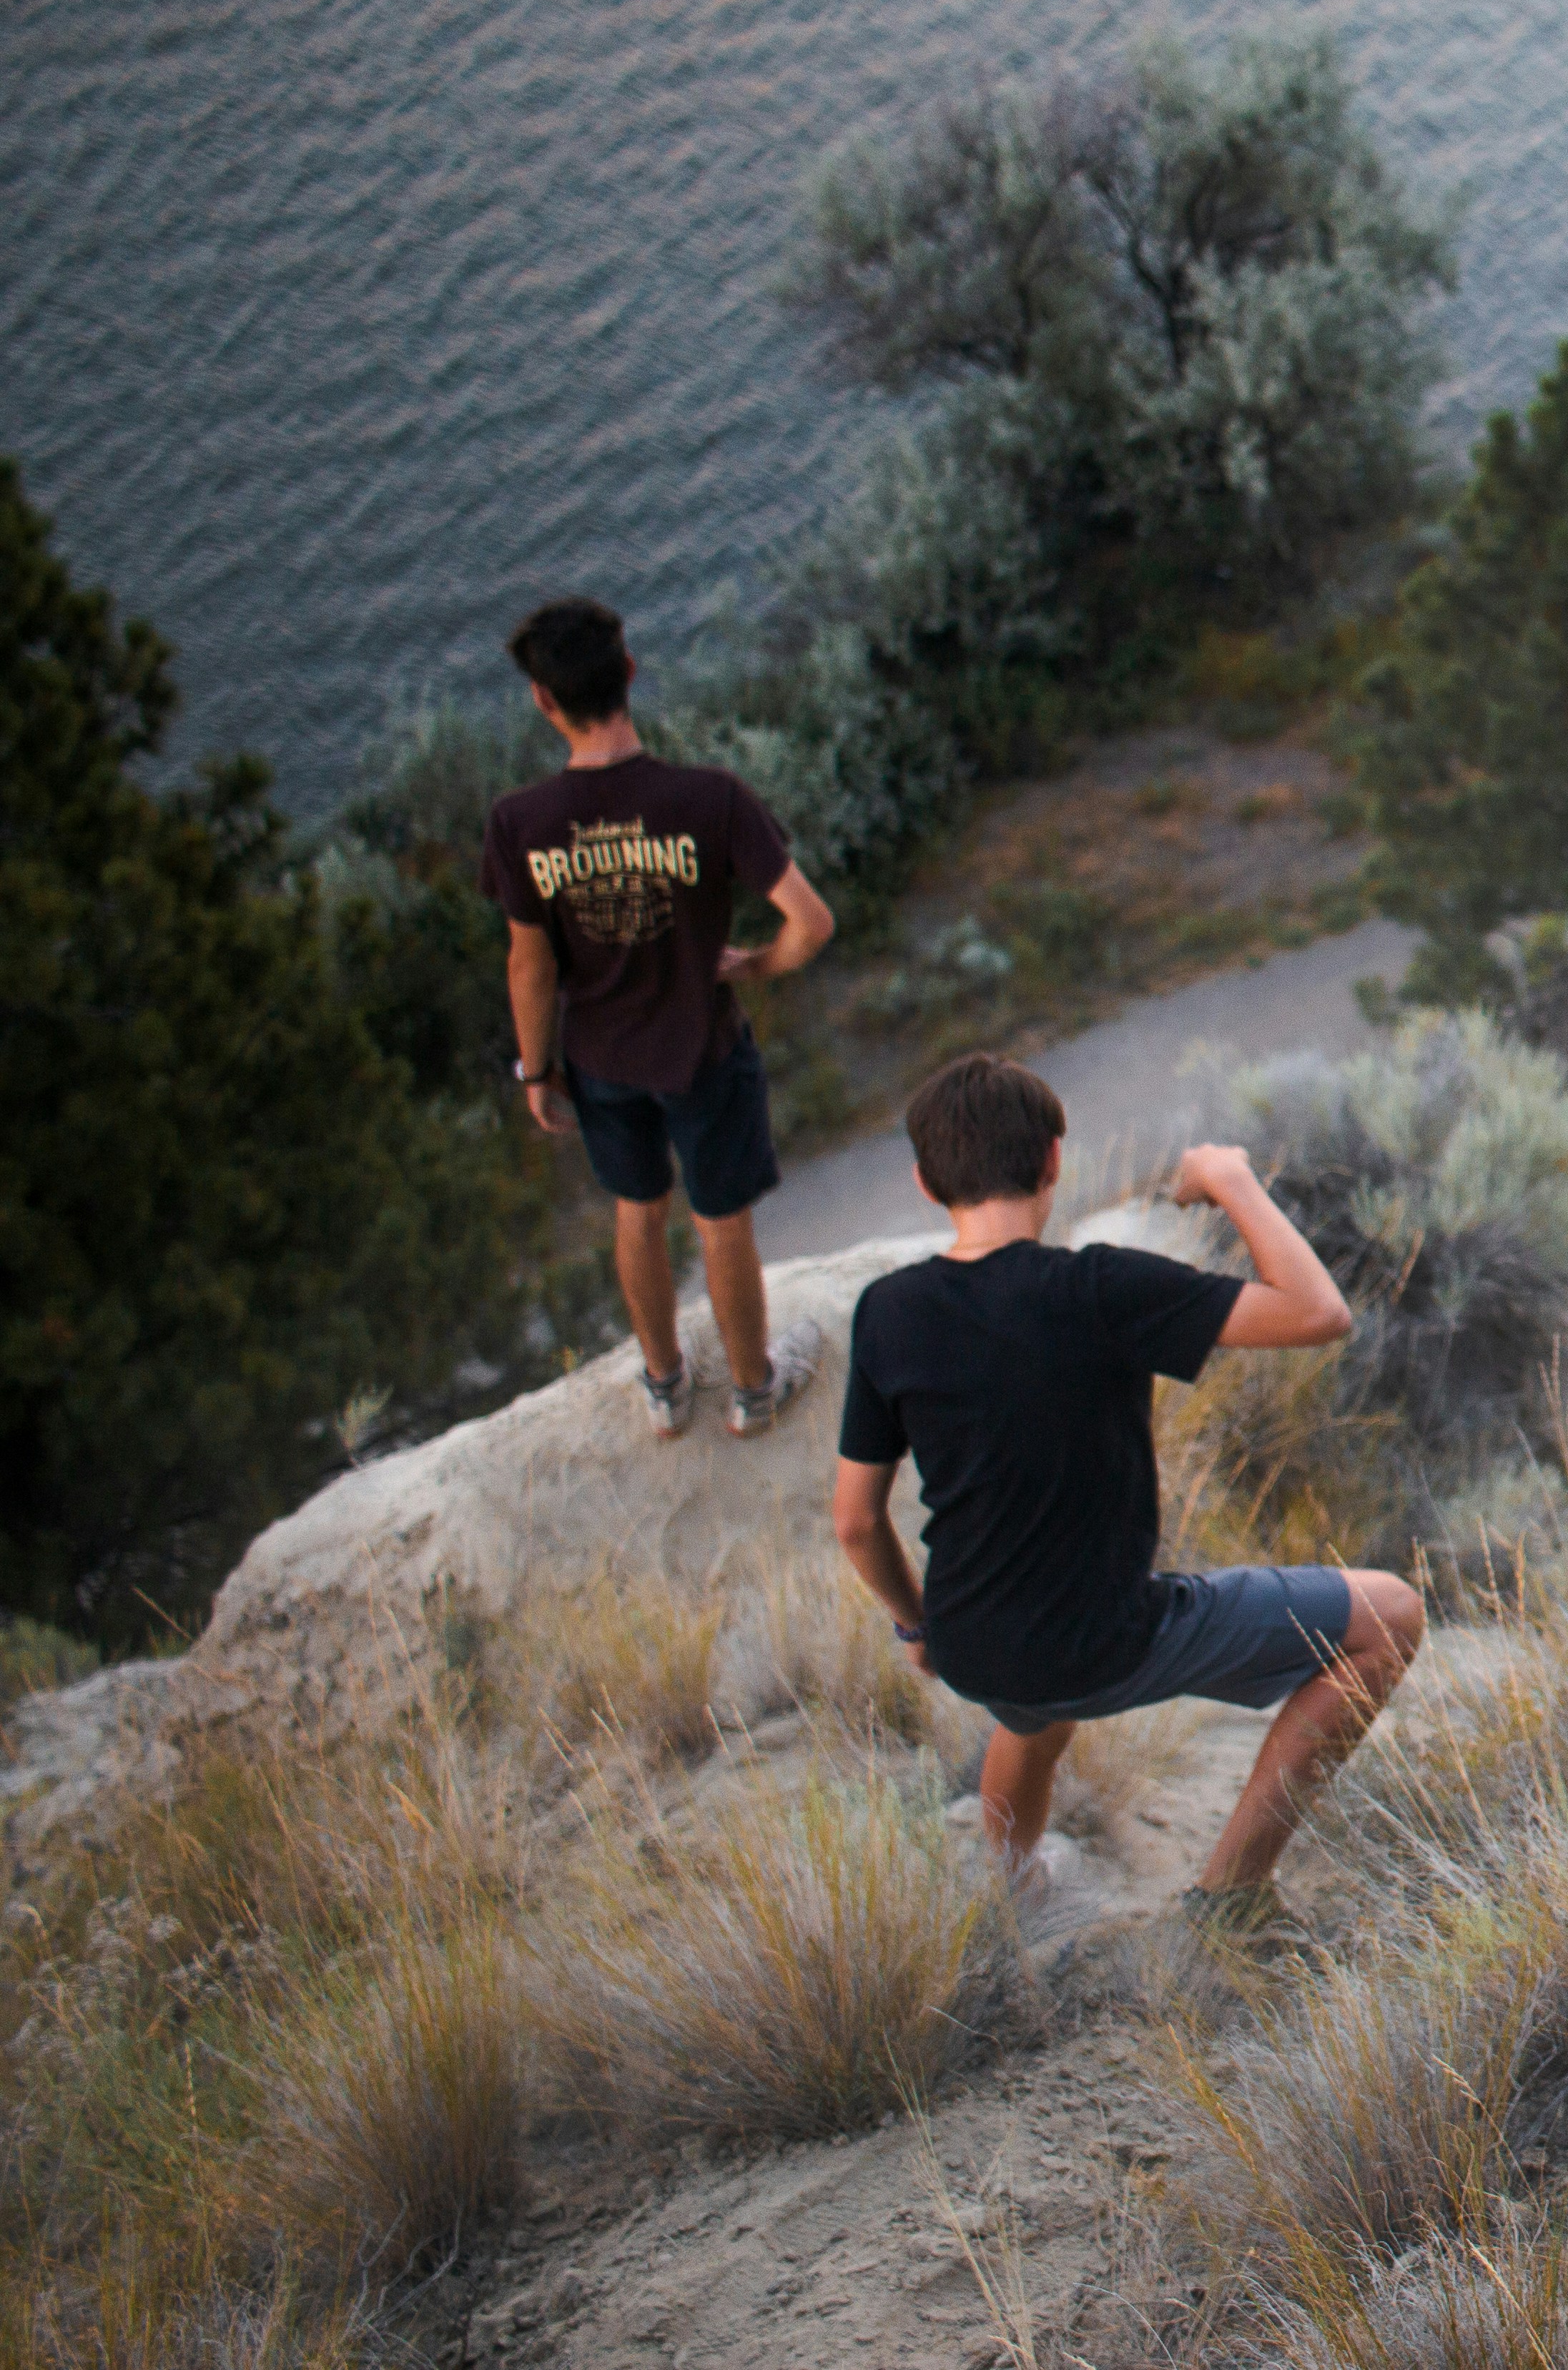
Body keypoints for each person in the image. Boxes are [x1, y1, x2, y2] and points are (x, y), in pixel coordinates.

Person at [828, 1053, 1422, 1945]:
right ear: (1053, 1161)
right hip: (1108, 1639)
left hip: (971, 1639)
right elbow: (1317, 1312)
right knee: (1390, 1617)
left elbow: (855, 1519)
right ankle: (1228, 1898)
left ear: (923, 1182)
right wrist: (1229, 1180)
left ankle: (1010, 1884)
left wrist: (916, 1627)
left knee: (1031, 1699)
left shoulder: (887, 1311)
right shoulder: (1099, 1287)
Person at [479, 596, 835, 1440]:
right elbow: (812, 922)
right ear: (631, 674)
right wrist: (757, 963)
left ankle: (666, 1387)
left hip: (600, 1056)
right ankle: (753, 1392)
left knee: (636, 1211)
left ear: (543, 700)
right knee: (721, 1220)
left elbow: (527, 963)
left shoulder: (520, 823)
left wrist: (535, 1069)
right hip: (703, 1049)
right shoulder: (709, 799)